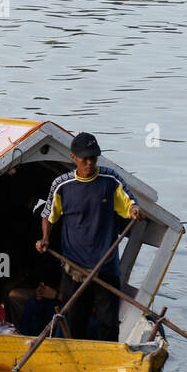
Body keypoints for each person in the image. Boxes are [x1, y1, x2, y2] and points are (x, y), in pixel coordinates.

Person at [36, 132, 142, 341]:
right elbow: (48, 215)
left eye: (93, 158)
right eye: (84, 159)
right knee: (75, 321)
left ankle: (109, 362)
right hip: (74, 267)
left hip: (106, 267)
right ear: (74, 158)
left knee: (109, 323)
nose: (89, 163)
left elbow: (129, 202)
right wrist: (45, 238)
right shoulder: (62, 184)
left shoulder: (110, 180)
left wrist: (134, 211)